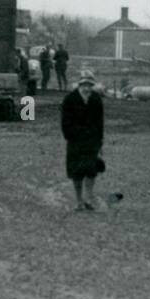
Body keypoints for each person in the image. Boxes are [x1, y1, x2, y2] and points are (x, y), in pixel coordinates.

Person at [61, 71, 104, 211]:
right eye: (84, 85)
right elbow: (65, 124)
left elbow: (100, 123)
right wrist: (73, 137)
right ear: (79, 85)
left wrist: (100, 142)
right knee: (77, 172)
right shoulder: (70, 100)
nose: (87, 89)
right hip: (76, 142)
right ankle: (79, 201)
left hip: (92, 142)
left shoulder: (96, 99)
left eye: (90, 86)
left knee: (91, 171)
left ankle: (89, 199)